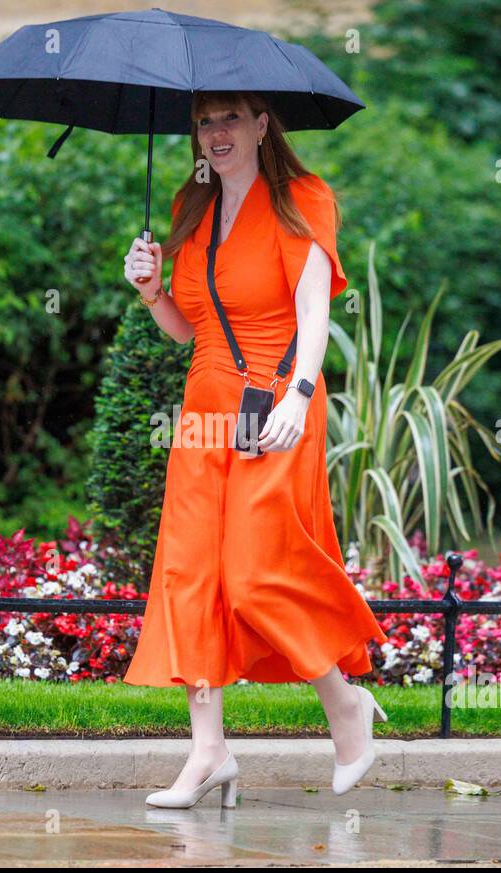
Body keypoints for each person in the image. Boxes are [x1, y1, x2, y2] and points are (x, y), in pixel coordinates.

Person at [120, 90, 388, 808]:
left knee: (256, 570)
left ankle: (345, 704)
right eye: (204, 122)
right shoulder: (193, 206)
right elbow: (186, 329)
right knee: (193, 573)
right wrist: (150, 290)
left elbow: (314, 310)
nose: (216, 134)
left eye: (230, 117)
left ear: (263, 122)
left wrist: (300, 393)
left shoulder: (301, 196)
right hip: (206, 408)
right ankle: (208, 750)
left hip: (275, 395)